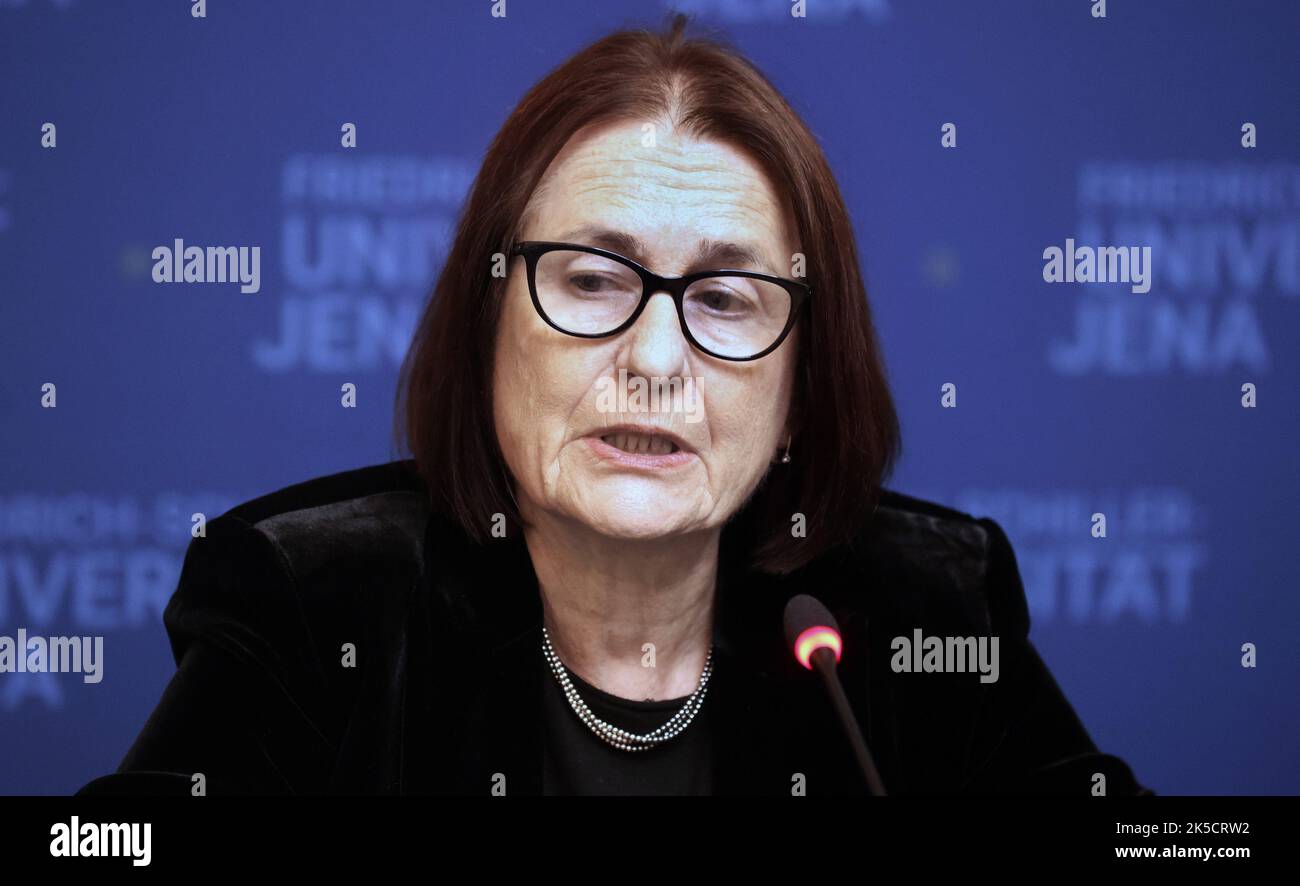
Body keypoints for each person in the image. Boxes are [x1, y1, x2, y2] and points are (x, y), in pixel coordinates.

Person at [78, 13, 1148, 797]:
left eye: (726, 298)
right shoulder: (318, 604)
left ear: (803, 373)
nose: (653, 357)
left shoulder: (925, 609)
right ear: (485, 316)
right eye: (592, 280)